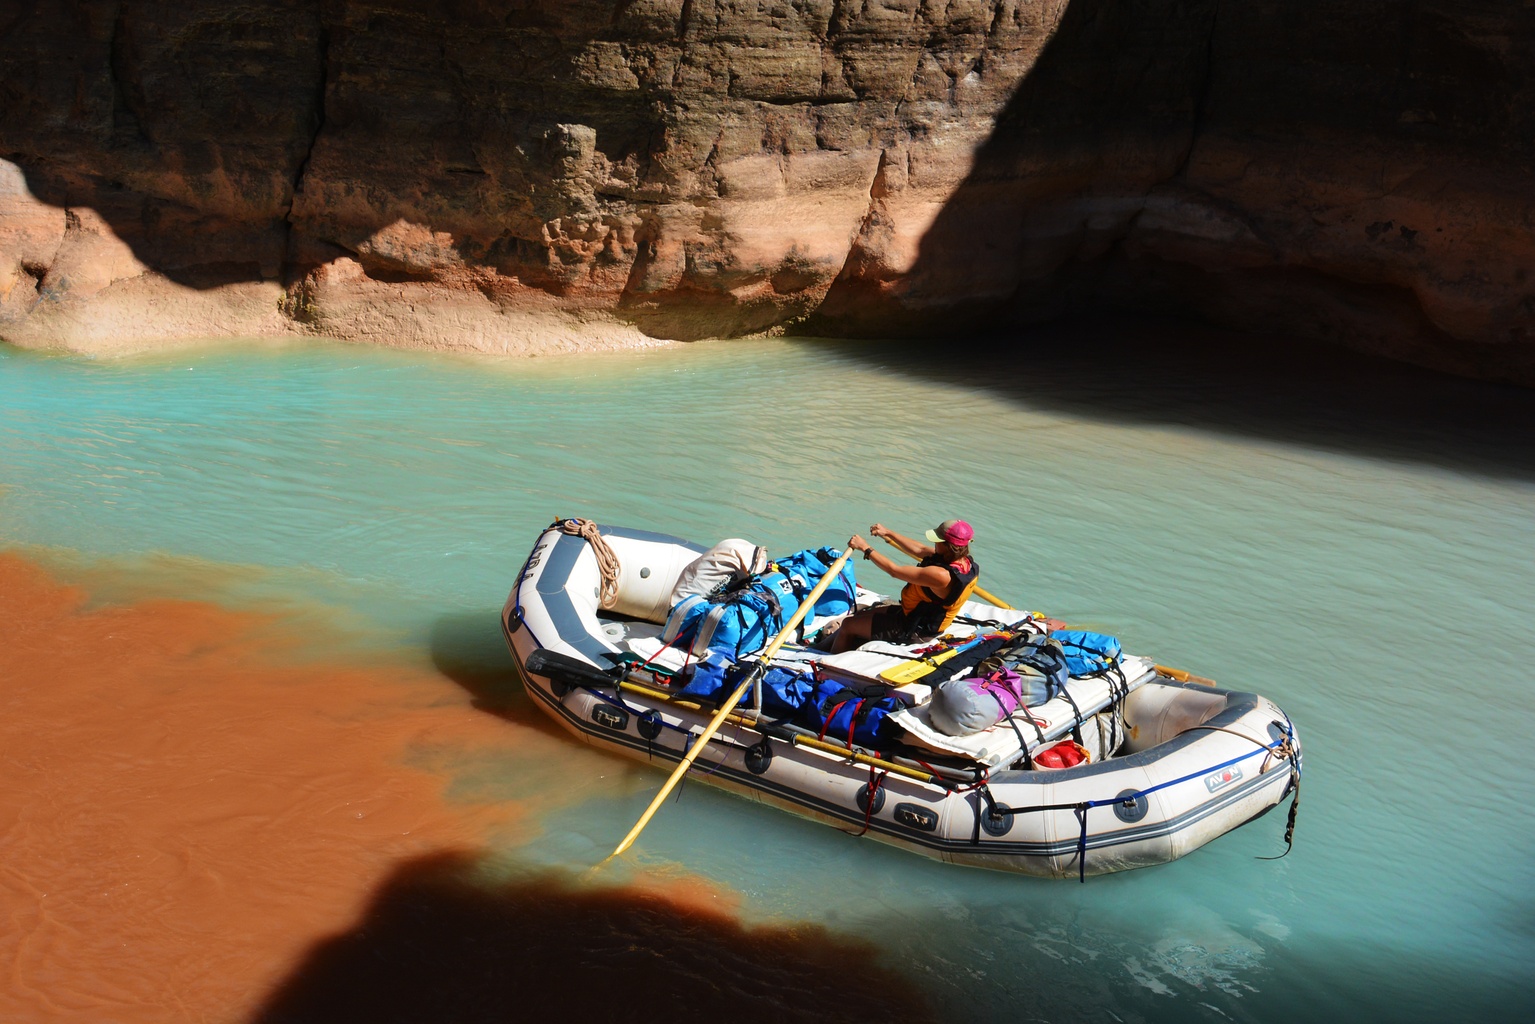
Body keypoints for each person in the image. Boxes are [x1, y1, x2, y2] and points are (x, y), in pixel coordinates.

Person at [828, 519, 982, 653]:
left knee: (848, 625)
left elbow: (894, 571)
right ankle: (822, 647)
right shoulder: (964, 561)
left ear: (948, 546)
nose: (934, 543)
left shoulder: (941, 576)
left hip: (915, 630)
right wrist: (888, 533)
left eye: (937, 541)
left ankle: (825, 665)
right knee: (861, 616)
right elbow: (920, 550)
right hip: (912, 615)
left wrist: (865, 548)